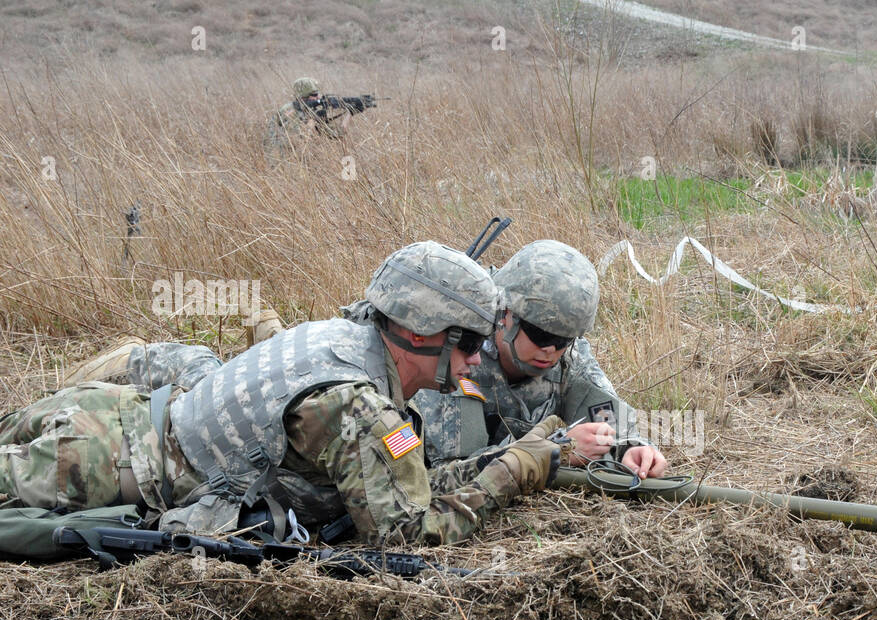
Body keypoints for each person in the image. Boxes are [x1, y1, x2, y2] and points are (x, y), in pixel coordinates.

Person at [1, 243, 564, 546]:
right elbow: (405, 533)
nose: (475, 359)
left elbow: (407, 480)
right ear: (419, 333)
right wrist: (512, 475)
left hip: (103, 412)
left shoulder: (340, 339)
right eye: (467, 341)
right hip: (96, 466)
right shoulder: (359, 407)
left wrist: (520, 454)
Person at [67, 240, 670, 479]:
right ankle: (152, 359)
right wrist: (552, 450)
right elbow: (433, 468)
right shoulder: (450, 357)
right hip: (330, 385)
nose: (553, 351)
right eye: (542, 334)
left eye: (567, 340)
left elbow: (602, 404)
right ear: (504, 315)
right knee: (221, 383)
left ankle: (257, 332)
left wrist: (629, 444)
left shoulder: (562, 349)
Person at [264, 76, 346, 155]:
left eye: (318, 94)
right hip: (282, 156)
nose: (318, 97)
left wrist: (349, 113)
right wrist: (312, 121)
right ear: (303, 97)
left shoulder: (310, 110)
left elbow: (335, 135)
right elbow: (297, 142)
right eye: (314, 94)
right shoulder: (290, 111)